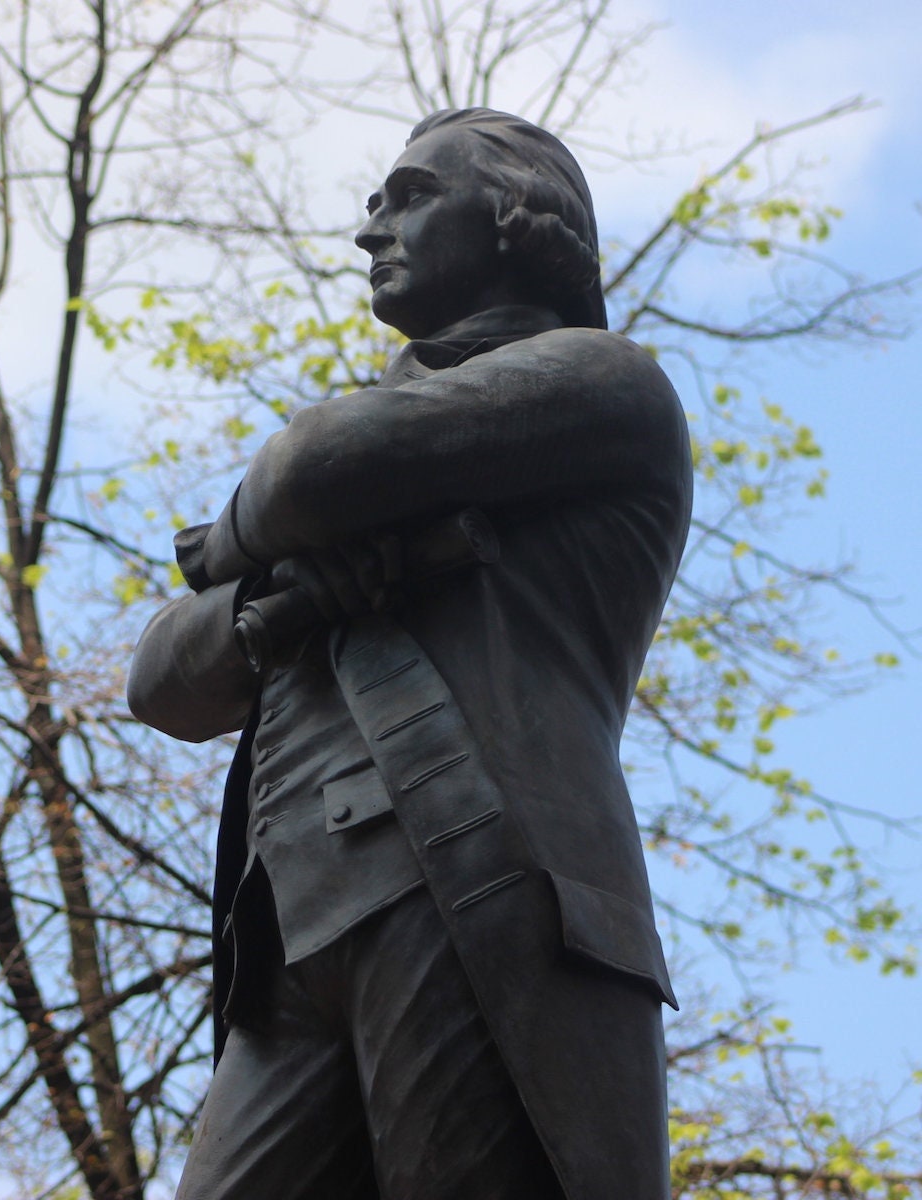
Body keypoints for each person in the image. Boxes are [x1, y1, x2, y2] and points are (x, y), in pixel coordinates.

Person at [127, 107, 693, 1200]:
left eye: (412, 196)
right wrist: (279, 591)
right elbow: (160, 683)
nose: (370, 228)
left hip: (478, 882)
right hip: (287, 941)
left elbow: (312, 471)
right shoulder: (380, 457)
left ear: (520, 217)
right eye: (376, 202)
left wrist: (232, 541)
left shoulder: (606, 382)